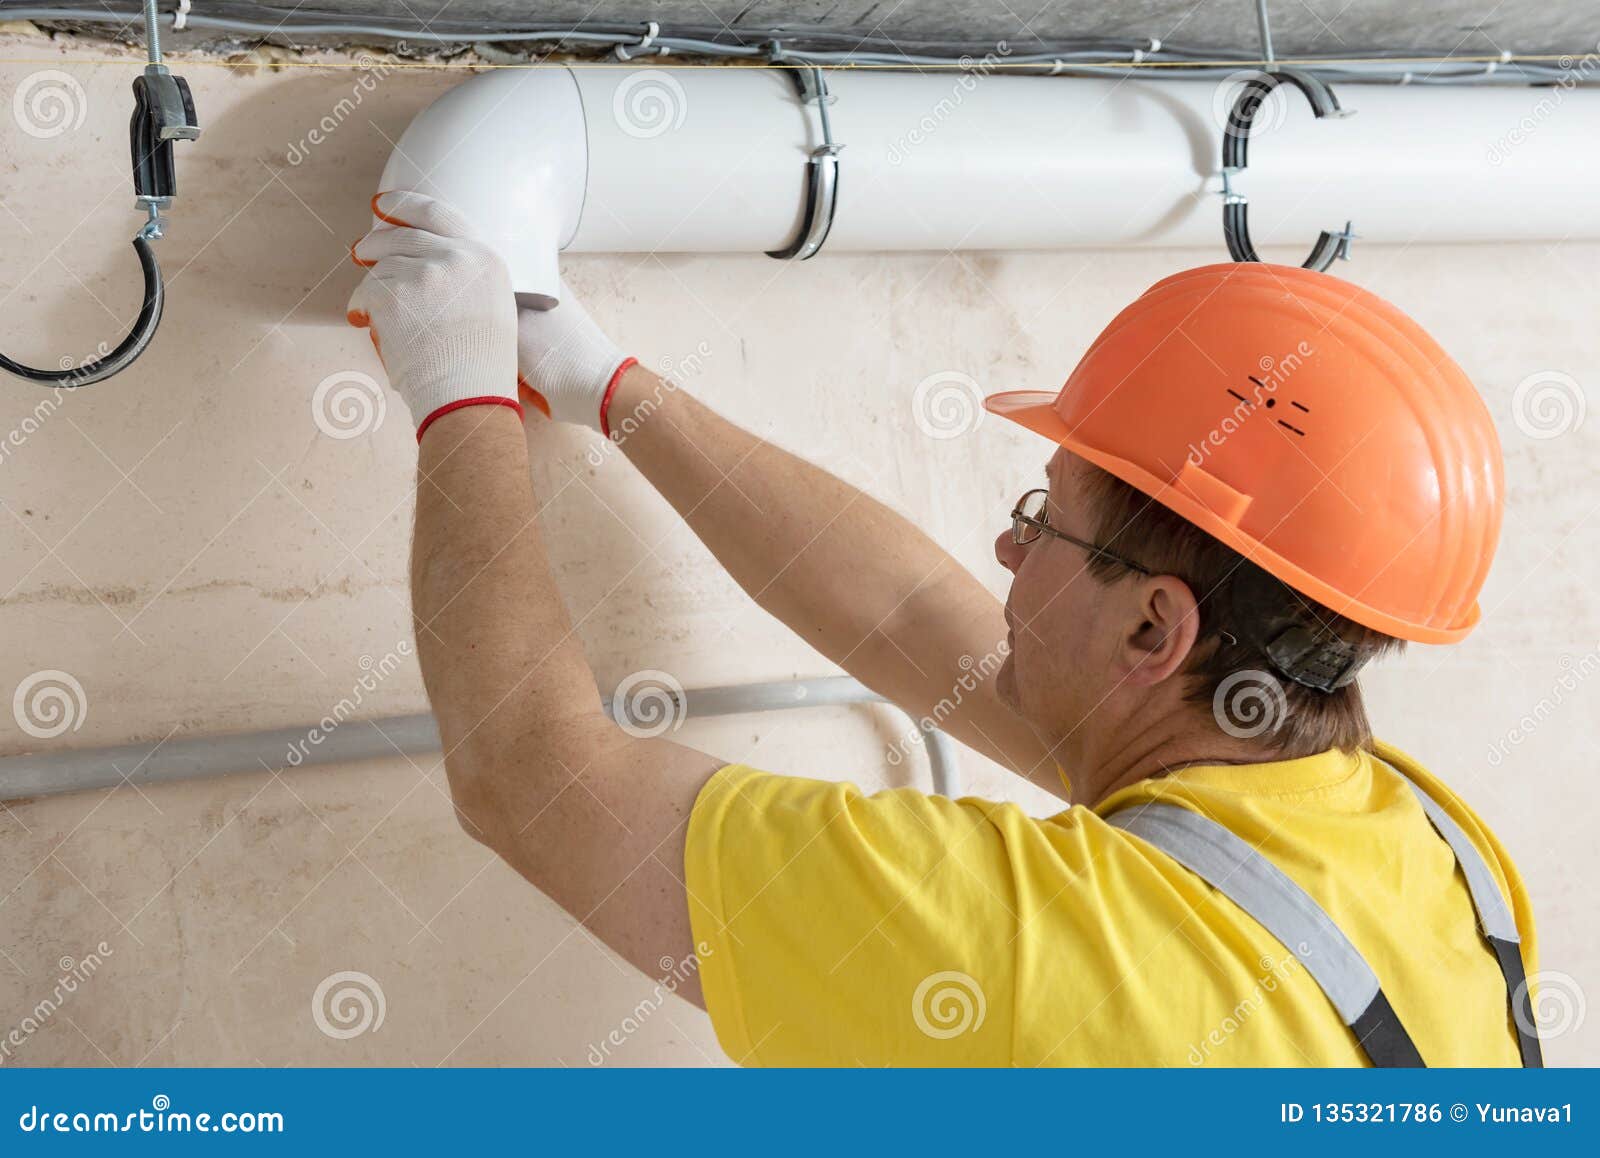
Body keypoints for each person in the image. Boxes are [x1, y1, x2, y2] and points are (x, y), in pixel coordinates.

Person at [346, 191, 1540, 1067]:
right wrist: (596, 376)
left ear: (1151, 633)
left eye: (1043, 524)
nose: (1007, 553)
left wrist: (456, 395)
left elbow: (528, 776)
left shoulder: (1035, 952)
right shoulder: (1425, 848)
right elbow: (916, 621)